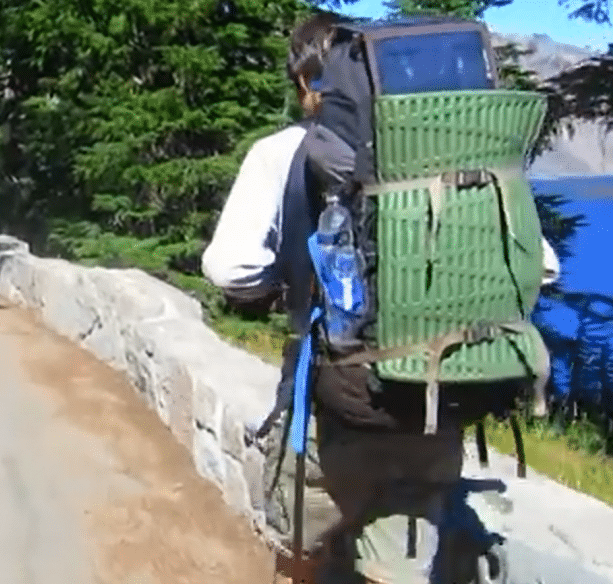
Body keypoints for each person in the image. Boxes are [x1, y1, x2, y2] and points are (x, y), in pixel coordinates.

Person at [202, 12, 562, 584]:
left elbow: (229, 267)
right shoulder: (441, 155)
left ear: (304, 82)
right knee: (399, 565)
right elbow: (542, 267)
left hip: (332, 401)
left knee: (301, 549)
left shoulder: (282, 151)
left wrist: (282, 292)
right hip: (435, 397)